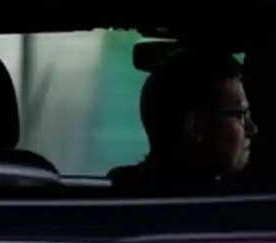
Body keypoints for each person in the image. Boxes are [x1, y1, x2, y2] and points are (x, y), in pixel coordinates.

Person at [110, 50, 257, 196]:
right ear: (196, 126)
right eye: (239, 115)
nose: (252, 128)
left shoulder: (125, 193)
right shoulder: (213, 206)